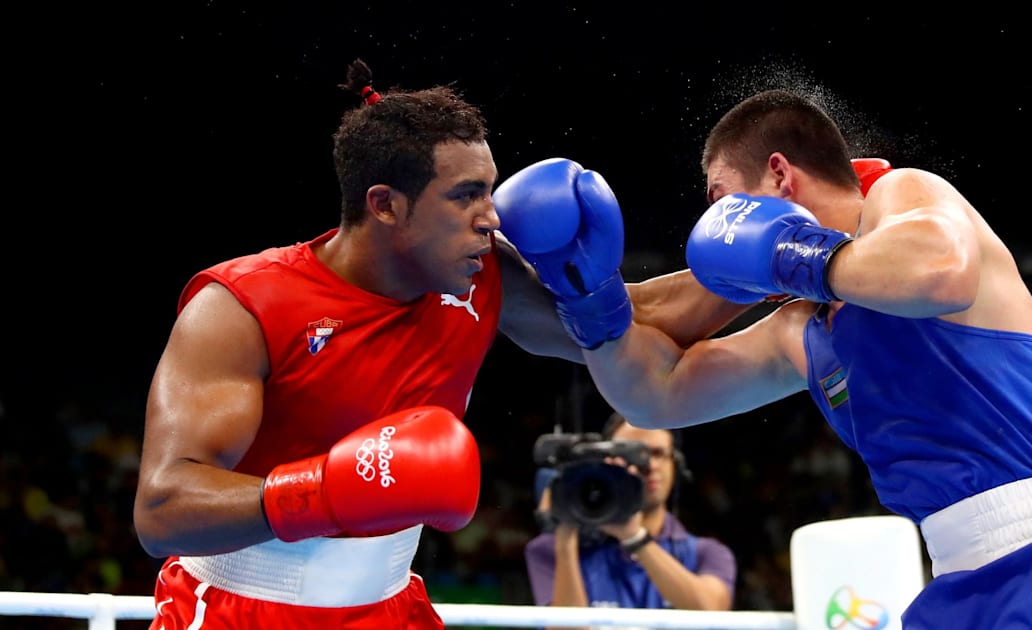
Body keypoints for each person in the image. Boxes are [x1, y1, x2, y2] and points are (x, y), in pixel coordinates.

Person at [131, 58, 746, 630]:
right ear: (386, 206)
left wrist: (786, 258)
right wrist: (327, 490)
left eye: (490, 190)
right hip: (238, 610)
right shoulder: (244, 306)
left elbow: (636, 325)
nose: (492, 216)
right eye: (465, 195)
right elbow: (162, 507)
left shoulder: (482, 278)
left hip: (392, 606)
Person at [500, 89, 1032, 628]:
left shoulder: (905, 198)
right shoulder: (800, 330)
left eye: (722, 198)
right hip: (959, 585)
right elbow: (656, 391)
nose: (719, 228)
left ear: (780, 175)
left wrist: (789, 252)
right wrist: (592, 303)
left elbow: (941, 273)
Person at [524, 412, 735, 622]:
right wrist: (565, 540)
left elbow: (711, 613)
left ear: (675, 464)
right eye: (634, 454)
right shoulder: (550, 549)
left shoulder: (707, 553)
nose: (650, 466)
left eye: (658, 453)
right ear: (608, 462)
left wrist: (635, 538)